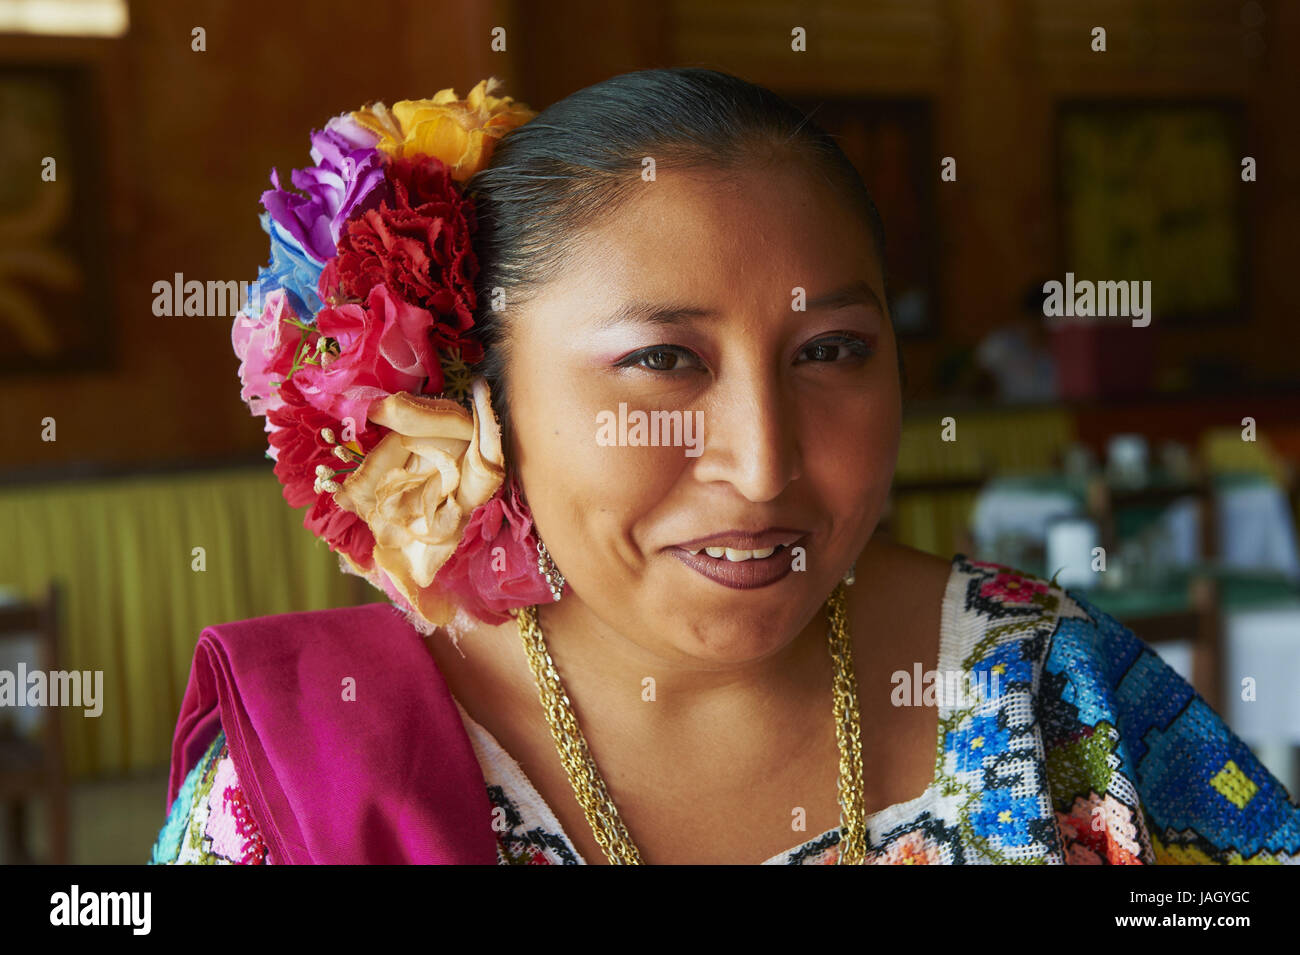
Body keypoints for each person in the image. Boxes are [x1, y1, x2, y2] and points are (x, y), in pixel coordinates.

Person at [149, 68, 1299, 865]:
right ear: (481, 401)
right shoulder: (314, 779)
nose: (760, 465)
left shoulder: (1049, 688)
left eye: (830, 351)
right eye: (660, 359)